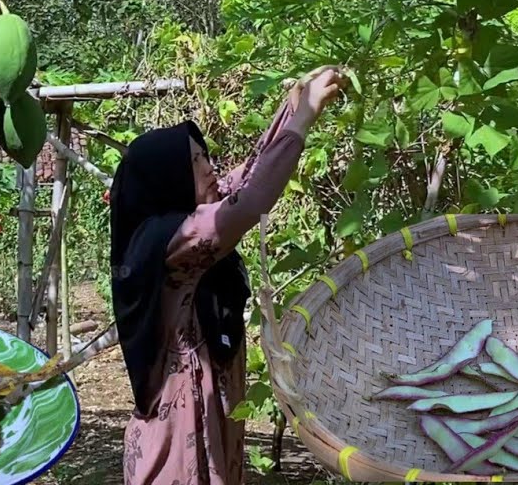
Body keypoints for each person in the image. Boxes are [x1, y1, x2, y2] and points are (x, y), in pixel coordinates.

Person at [109, 66, 346, 485]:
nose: (210, 167)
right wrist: (302, 121)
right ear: (170, 179)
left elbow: (251, 173)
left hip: (209, 401)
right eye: (196, 161)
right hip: (178, 422)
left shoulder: (188, 216)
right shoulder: (171, 239)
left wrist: (289, 110)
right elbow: (251, 202)